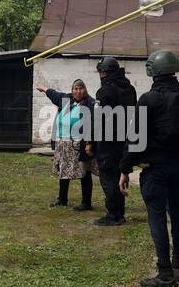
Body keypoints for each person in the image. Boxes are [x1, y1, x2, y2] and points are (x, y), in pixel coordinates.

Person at [119, 50, 179, 287]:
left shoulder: (148, 99)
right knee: (178, 214)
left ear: (153, 71)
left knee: (157, 218)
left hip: (155, 170)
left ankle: (164, 273)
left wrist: (125, 168)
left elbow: (136, 138)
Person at [90, 56, 137, 227]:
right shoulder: (129, 89)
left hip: (107, 142)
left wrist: (91, 142)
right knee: (119, 175)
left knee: (108, 178)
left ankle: (114, 215)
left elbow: (96, 119)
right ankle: (119, 212)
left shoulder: (105, 92)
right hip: (124, 140)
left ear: (103, 72)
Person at [38, 79, 94, 210]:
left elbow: (92, 124)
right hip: (63, 143)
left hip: (79, 143)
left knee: (84, 172)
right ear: (72, 89)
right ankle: (62, 199)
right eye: (75, 88)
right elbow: (54, 94)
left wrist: (89, 143)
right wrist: (44, 89)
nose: (78, 91)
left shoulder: (90, 104)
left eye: (81, 88)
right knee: (64, 170)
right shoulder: (66, 99)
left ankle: (86, 202)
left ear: (85, 90)